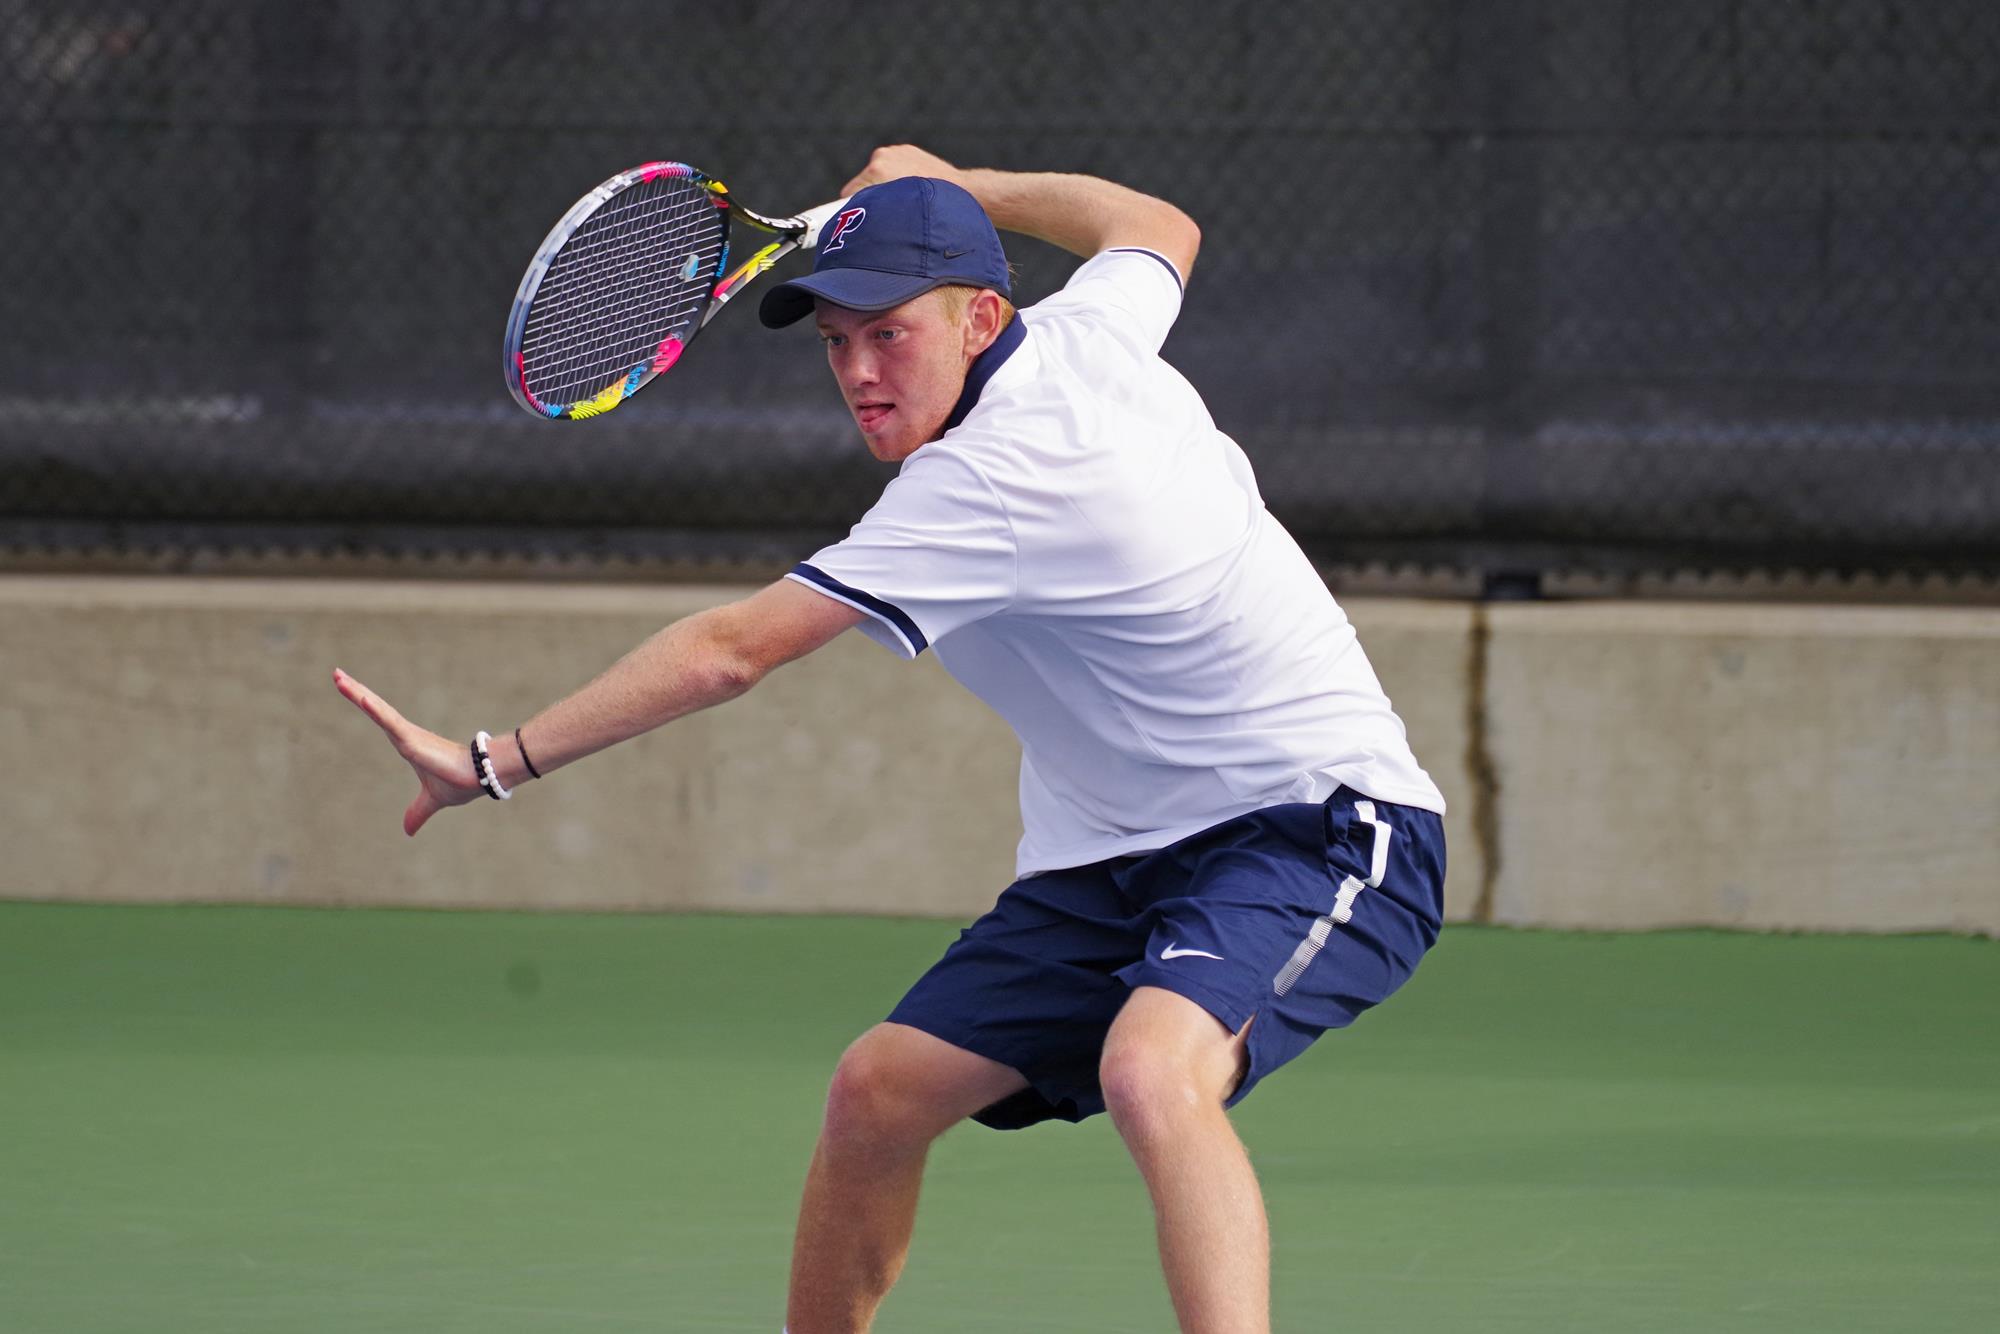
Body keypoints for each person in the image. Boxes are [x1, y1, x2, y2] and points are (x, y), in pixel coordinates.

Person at [334, 144, 1447, 1334]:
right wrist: (968, 184)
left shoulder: (992, 482)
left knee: (1148, 1070)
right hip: (1115, 856)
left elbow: (732, 649)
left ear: (978, 317)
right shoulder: (1085, 335)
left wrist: (492, 761)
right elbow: (1154, 222)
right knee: (877, 1090)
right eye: (834, 342)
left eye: (888, 336)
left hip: (1320, 827)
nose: (859, 372)